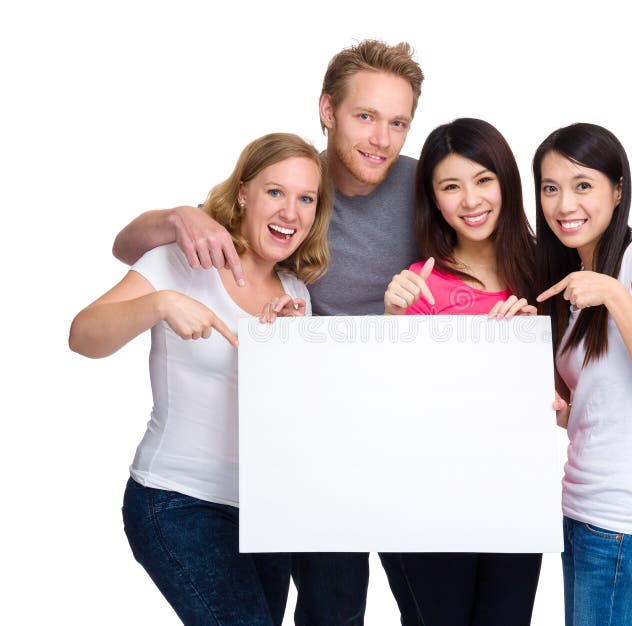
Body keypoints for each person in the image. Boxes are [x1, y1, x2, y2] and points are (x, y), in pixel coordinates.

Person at [110, 40, 425, 626]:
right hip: (249, 472)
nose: (380, 138)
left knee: (339, 606)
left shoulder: (421, 190)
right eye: (365, 116)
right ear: (328, 110)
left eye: (398, 122)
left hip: (333, 451)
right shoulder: (283, 182)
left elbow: (494, 248)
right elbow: (130, 252)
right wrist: (177, 219)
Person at [69, 132, 333, 625]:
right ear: (242, 193)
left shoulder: (295, 291)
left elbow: (295, 420)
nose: (290, 212)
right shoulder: (181, 261)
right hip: (177, 501)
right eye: (275, 192)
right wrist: (159, 304)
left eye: (306, 199)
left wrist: (287, 348)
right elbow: (82, 334)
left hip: (263, 512)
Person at [383, 118, 542, 626]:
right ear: (434, 199)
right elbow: (394, 408)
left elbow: (569, 391)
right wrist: (392, 325)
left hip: (517, 496)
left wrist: (531, 349)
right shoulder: (421, 284)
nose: (471, 201)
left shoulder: (544, 272)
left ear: (506, 182)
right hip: (433, 500)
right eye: (451, 187)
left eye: (483, 180)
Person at [532, 123, 632, 626]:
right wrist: (562, 411)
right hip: (581, 510)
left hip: (627, 522)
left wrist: (617, 295)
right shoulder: (575, 277)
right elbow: (603, 406)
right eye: (550, 188)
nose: (563, 205)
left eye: (583, 185)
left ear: (617, 190)